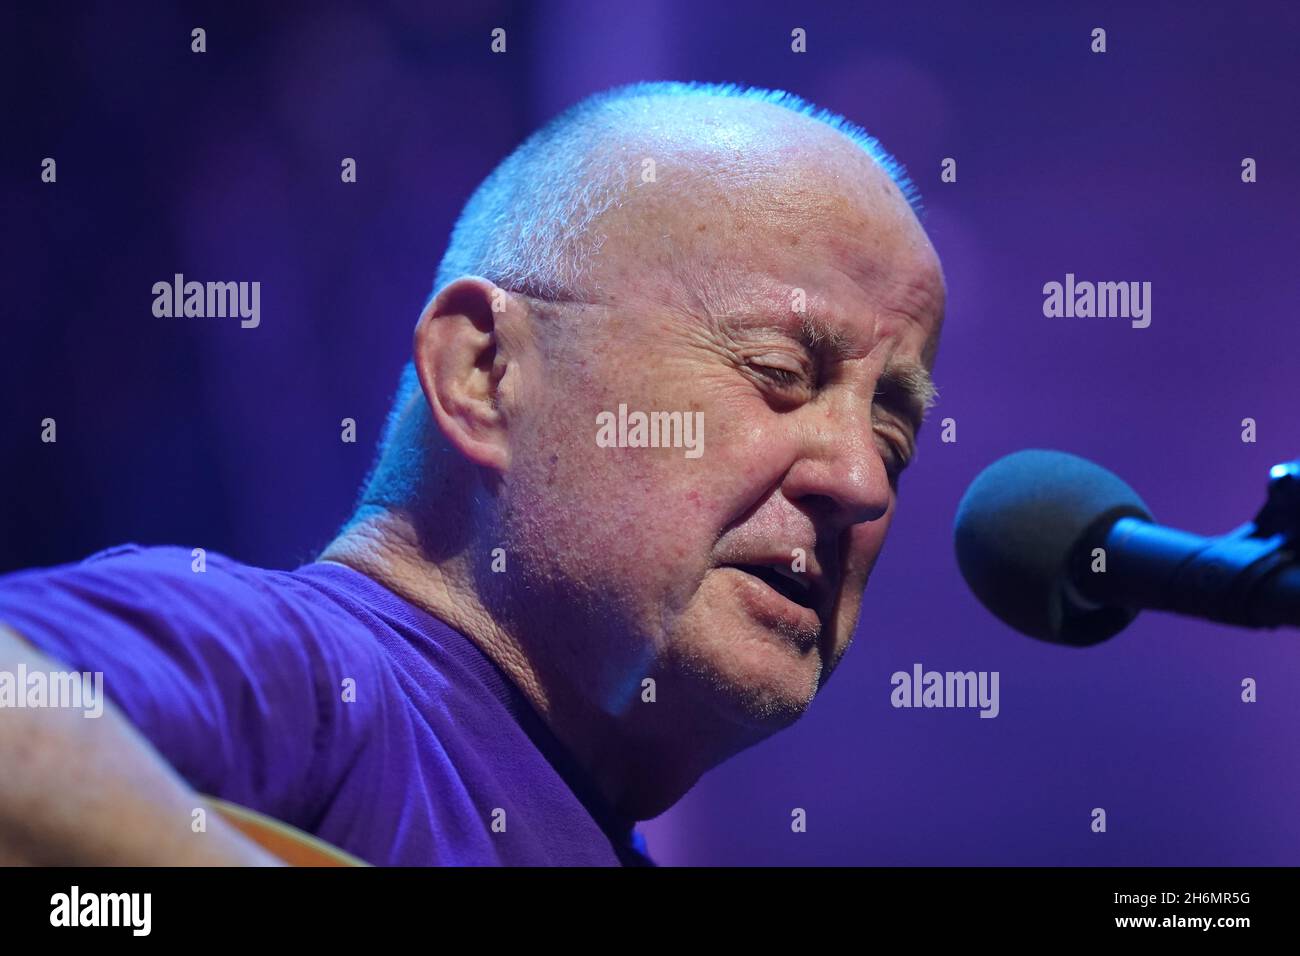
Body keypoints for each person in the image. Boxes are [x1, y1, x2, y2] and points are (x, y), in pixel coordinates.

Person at [0, 80, 946, 866]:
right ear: (484, 375)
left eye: (894, 440)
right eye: (779, 373)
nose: (861, 478)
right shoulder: (307, 673)